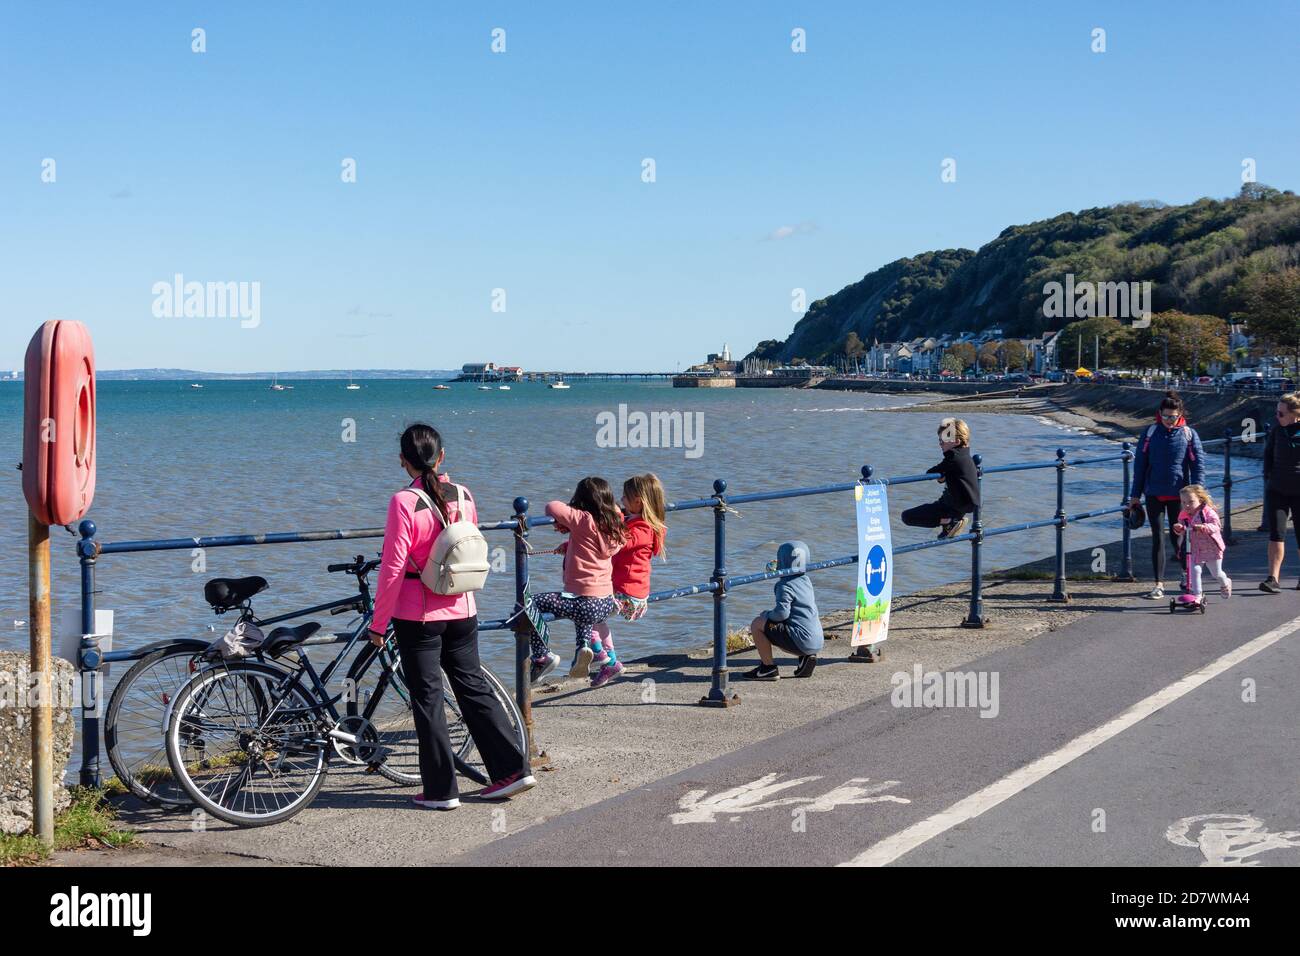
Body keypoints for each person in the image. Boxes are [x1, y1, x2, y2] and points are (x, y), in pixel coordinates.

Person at [369, 424, 534, 810]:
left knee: (428, 699)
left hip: (419, 614)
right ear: (442, 457)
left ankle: (441, 791)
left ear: (403, 462)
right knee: (473, 688)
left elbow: (393, 568)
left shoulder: (403, 502)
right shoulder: (464, 494)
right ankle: (513, 769)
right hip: (463, 607)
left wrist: (379, 625)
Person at [528, 477, 626, 682]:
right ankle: (589, 651)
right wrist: (570, 545)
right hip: (606, 602)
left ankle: (541, 655)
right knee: (581, 611)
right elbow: (593, 546)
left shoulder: (583, 520)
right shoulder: (614, 524)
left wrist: (575, 509)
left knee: (529, 603)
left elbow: (552, 507)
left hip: (583, 601)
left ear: (582, 501)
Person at [589, 473, 668, 688]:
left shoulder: (642, 530)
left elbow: (617, 541)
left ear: (638, 502)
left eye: (624, 497)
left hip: (627, 596)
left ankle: (603, 658)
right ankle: (610, 662)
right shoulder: (641, 524)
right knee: (598, 620)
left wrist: (611, 517)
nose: (621, 501)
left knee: (584, 615)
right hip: (629, 595)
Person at [1127, 390, 1205, 599]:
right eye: (1165, 416)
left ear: (1180, 414)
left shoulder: (1189, 434)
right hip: (1153, 493)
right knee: (1157, 539)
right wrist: (1135, 495)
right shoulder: (1150, 433)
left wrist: (1198, 495)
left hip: (1180, 496)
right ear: (1159, 413)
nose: (1169, 420)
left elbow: (1198, 466)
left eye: (1173, 416)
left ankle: (1184, 574)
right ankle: (1158, 584)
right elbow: (1140, 466)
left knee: (1178, 537)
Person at [745, 541, 823, 680]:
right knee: (798, 618)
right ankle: (806, 658)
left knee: (757, 624)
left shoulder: (784, 585)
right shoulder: (806, 581)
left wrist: (766, 614)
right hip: (816, 639)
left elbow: (782, 614)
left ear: (783, 562)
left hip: (801, 641)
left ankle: (768, 668)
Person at [901, 418, 980, 539]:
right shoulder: (966, 458)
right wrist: (945, 475)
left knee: (906, 516)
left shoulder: (953, 458)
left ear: (957, 441)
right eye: (939, 440)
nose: (940, 444)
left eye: (943, 440)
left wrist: (941, 476)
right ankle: (949, 524)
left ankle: (948, 521)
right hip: (960, 508)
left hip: (949, 507)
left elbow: (931, 472)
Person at [1260, 392, 1300, 592]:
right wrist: (1268, 477)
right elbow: (1268, 455)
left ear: (1296, 414)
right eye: (1277, 413)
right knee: (1276, 535)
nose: (1277, 416)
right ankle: (1272, 578)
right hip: (1277, 489)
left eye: (1281, 414)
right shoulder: (1276, 431)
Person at [1173, 484, 1230, 600]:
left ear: (1200, 499)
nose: (1187, 505)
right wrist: (1178, 528)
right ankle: (1197, 595)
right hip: (1194, 548)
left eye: (1191, 502)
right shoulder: (1183, 514)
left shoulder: (1208, 512)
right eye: (1183, 502)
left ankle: (1225, 583)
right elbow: (1183, 530)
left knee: (1216, 574)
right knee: (1195, 570)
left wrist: (1204, 527)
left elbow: (1216, 526)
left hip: (1211, 548)